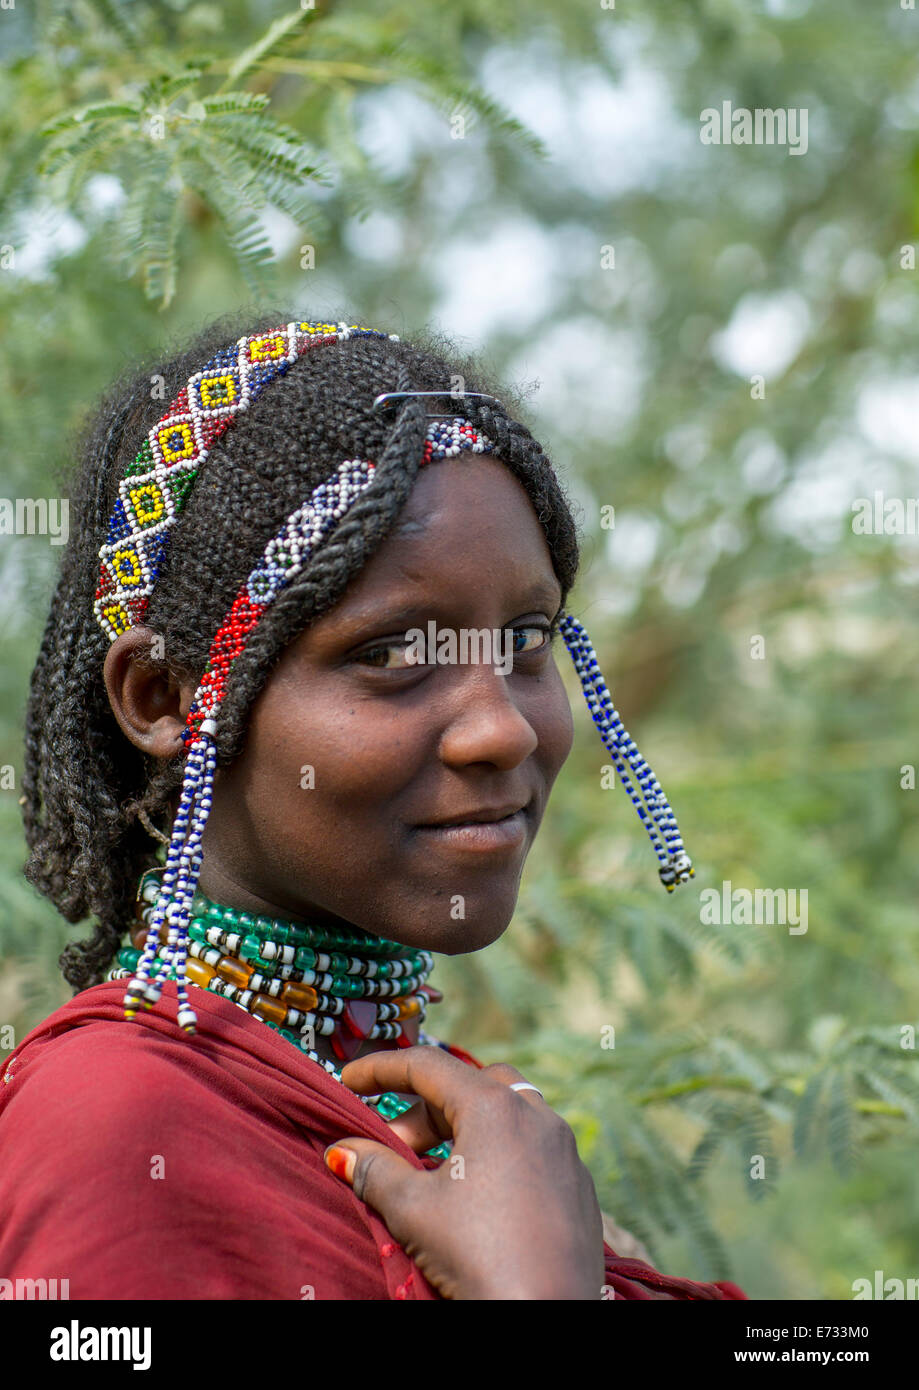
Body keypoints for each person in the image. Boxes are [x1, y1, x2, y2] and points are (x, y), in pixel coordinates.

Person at [1, 312, 743, 1300]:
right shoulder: (119, 1128)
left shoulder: (457, 1114)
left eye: (524, 640)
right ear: (164, 698)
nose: (504, 731)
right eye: (391, 652)